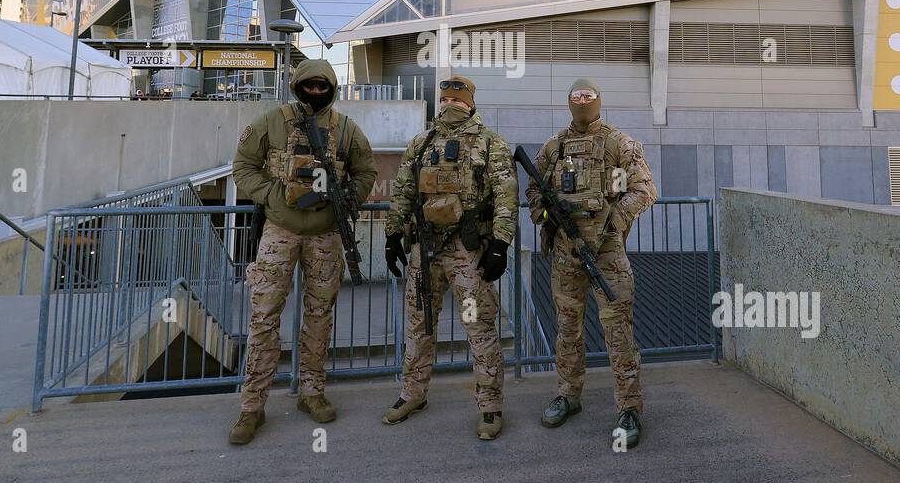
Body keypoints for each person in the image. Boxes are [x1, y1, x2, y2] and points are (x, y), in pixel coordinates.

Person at [227, 59, 376, 444]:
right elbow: (243, 166)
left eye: (321, 86)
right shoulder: (272, 122)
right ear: (297, 86)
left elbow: (366, 171)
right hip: (280, 230)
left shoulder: (346, 129)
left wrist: (348, 198)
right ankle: (251, 406)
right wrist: (273, 195)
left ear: (332, 87)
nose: (314, 92)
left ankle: (312, 392)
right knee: (263, 317)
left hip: (326, 234)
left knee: (319, 316)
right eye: (307, 86)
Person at [382, 75, 517, 440]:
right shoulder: (422, 142)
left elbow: (506, 195)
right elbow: (404, 192)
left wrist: (500, 244)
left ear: (471, 102)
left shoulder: (490, 143)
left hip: (466, 253)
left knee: (478, 328)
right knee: (419, 325)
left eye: (459, 97)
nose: (451, 103)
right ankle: (413, 394)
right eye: (446, 97)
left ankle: (489, 405)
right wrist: (393, 233)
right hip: (425, 253)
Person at [525, 78, 656, 448]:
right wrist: (545, 215)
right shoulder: (553, 148)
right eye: (576, 96)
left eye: (589, 96)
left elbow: (645, 189)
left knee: (618, 330)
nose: (582, 101)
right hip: (566, 253)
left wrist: (614, 219)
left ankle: (629, 408)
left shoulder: (619, 144)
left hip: (606, 254)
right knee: (567, 328)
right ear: (569, 102)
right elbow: (534, 190)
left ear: (599, 100)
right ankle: (568, 394)